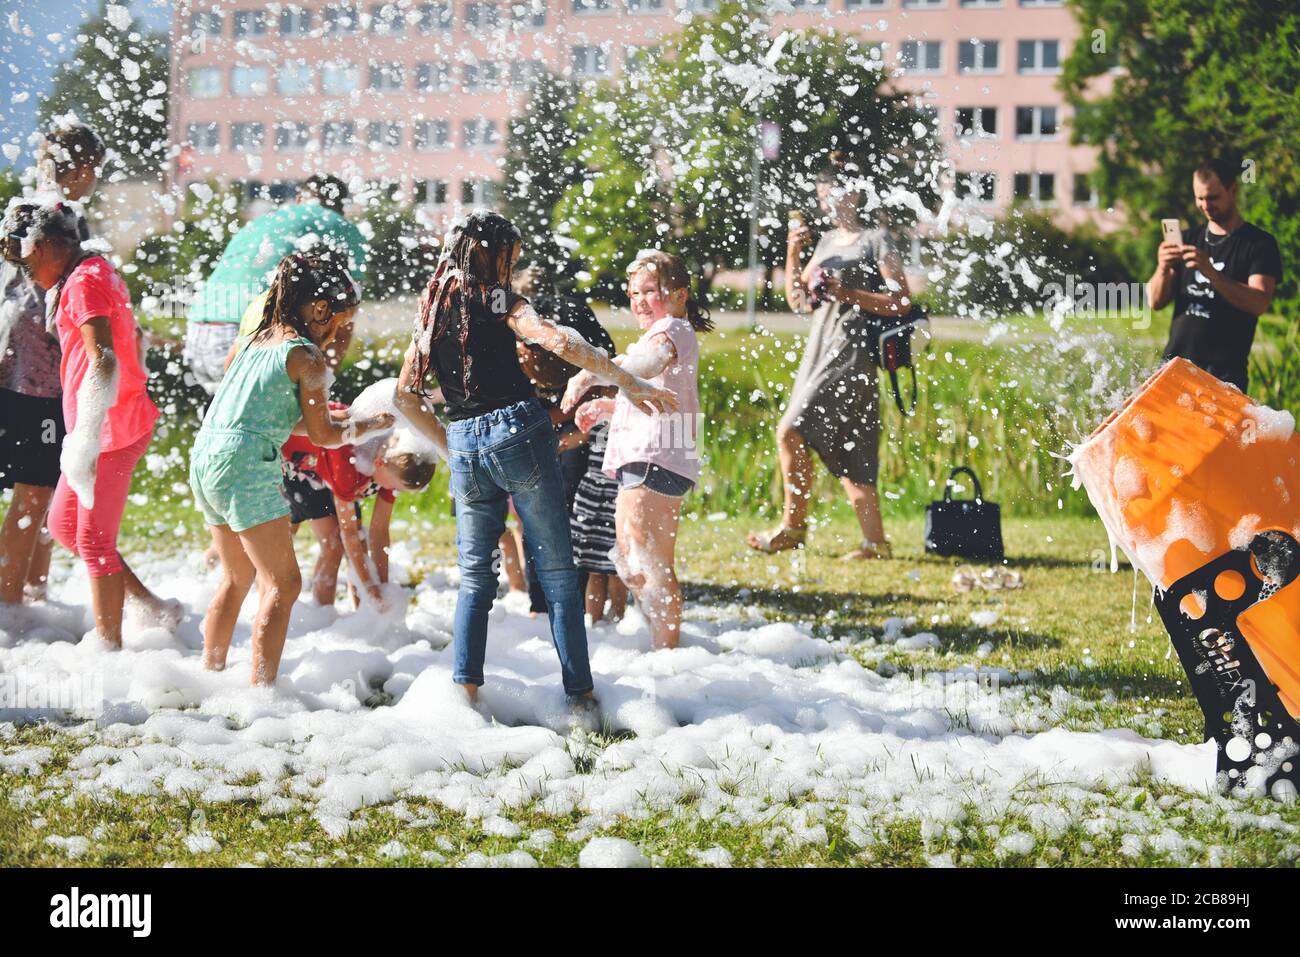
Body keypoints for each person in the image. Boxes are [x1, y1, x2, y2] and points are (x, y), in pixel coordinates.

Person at [394, 212, 677, 709]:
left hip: (463, 441)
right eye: (511, 257)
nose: (513, 267)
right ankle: (580, 694)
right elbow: (559, 340)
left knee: (475, 576)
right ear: (492, 254)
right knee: (558, 570)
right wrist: (628, 381)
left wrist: (450, 445)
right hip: (517, 432)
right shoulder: (496, 298)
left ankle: (465, 692)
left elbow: (404, 396)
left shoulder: (433, 306)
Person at [189, 249, 392, 685]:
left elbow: (277, 417)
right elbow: (323, 436)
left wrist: (343, 418)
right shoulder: (307, 356)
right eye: (339, 323)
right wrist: (370, 426)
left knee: (236, 576)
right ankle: (262, 691)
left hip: (207, 456)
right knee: (283, 584)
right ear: (319, 308)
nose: (338, 334)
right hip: (245, 465)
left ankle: (209, 672)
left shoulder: (255, 341)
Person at [0, 200, 179, 646]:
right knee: (65, 527)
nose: (27, 275)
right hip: (104, 425)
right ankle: (150, 606)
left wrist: (85, 440)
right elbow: (130, 338)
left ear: (43, 246)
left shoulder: (83, 283)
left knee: (94, 542)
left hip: (109, 433)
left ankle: (108, 649)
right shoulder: (94, 268)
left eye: (26, 263)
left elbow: (103, 360)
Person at [748, 153, 911, 561]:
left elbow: (901, 301)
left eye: (832, 192)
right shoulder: (824, 243)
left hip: (852, 353)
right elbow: (799, 302)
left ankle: (793, 528)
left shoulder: (876, 240)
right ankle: (875, 544)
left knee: (789, 430)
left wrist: (849, 294)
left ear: (854, 194)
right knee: (854, 445)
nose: (825, 201)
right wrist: (793, 253)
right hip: (821, 349)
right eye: (821, 194)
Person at [563, 250, 710, 649]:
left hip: (655, 455)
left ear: (679, 294)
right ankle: (664, 645)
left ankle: (667, 649)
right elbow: (655, 394)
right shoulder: (665, 332)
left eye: (649, 291)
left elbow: (644, 368)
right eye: (633, 294)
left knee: (643, 557)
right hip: (659, 451)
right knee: (635, 558)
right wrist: (609, 407)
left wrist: (588, 376)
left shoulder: (672, 330)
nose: (639, 301)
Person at [0, 120, 105, 605]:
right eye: (95, 171)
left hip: (16, 366)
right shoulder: (65, 219)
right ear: (81, 170)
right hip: (41, 377)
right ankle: (10, 604)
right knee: (36, 492)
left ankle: (33, 598)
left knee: (43, 488)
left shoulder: (22, 209)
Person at [184, 174, 368, 396]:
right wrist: (321, 387)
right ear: (342, 207)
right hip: (249, 337)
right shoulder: (341, 226)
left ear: (299, 199)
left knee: (224, 411)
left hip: (199, 332)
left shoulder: (264, 221)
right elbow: (345, 311)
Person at [281, 381, 440, 608]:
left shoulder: (392, 464)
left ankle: (363, 614)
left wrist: (382, 586)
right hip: (298, 464)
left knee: (360, 543)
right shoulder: (350, 465)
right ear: (379, 462)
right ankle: (322, 615)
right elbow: (348, 534)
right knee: (334, 543)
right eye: (394, 486)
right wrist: (369, 586)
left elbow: (379, 531)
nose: (393, 491)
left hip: (329, 467)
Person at [1148, 158, 1283, 393]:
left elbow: (1259, 302)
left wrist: (1211, 273)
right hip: (1174, 367)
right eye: (1199, 198)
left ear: (1233, 190)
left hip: (1224, 374)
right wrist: (1163, 268)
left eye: (1213, 198)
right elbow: (1155, 302)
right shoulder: (1188, 239)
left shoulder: (1259, 244)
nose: (1205, 205)